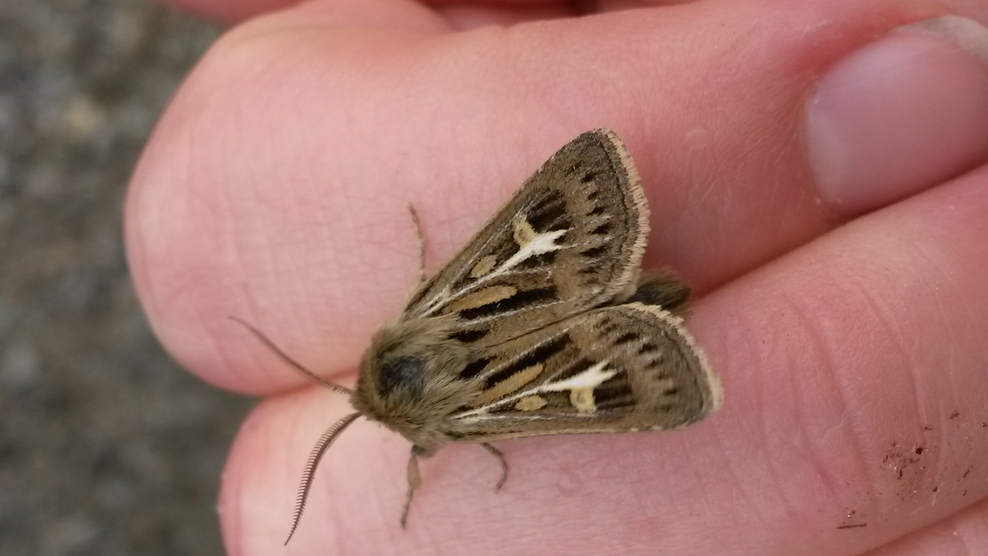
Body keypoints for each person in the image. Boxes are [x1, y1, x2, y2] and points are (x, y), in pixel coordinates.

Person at [125, 1, 988, 553]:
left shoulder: (447, 429)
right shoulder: (416, 313)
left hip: (589, 370)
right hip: (558, 261)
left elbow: (460, 439)